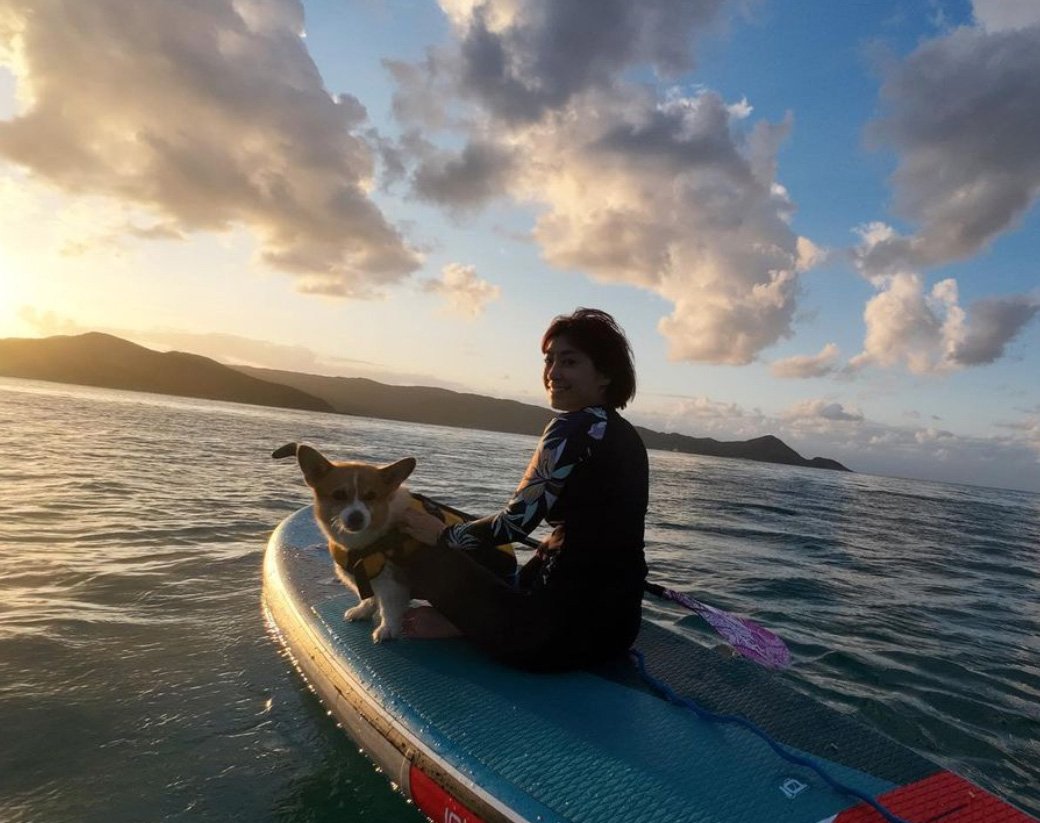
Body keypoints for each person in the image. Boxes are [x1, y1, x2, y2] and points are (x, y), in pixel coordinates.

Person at [397, 307, 649, 671]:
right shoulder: (627, 436)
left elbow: (515, 525)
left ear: (605, 374)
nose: (553, 373)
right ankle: (469, 621)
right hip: (615, 632)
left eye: (570, 362)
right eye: (549, 361)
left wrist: (443, 535)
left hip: (546, 637)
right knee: (490, 553)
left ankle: (467, 624)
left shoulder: (572, 428)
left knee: (423, 553)